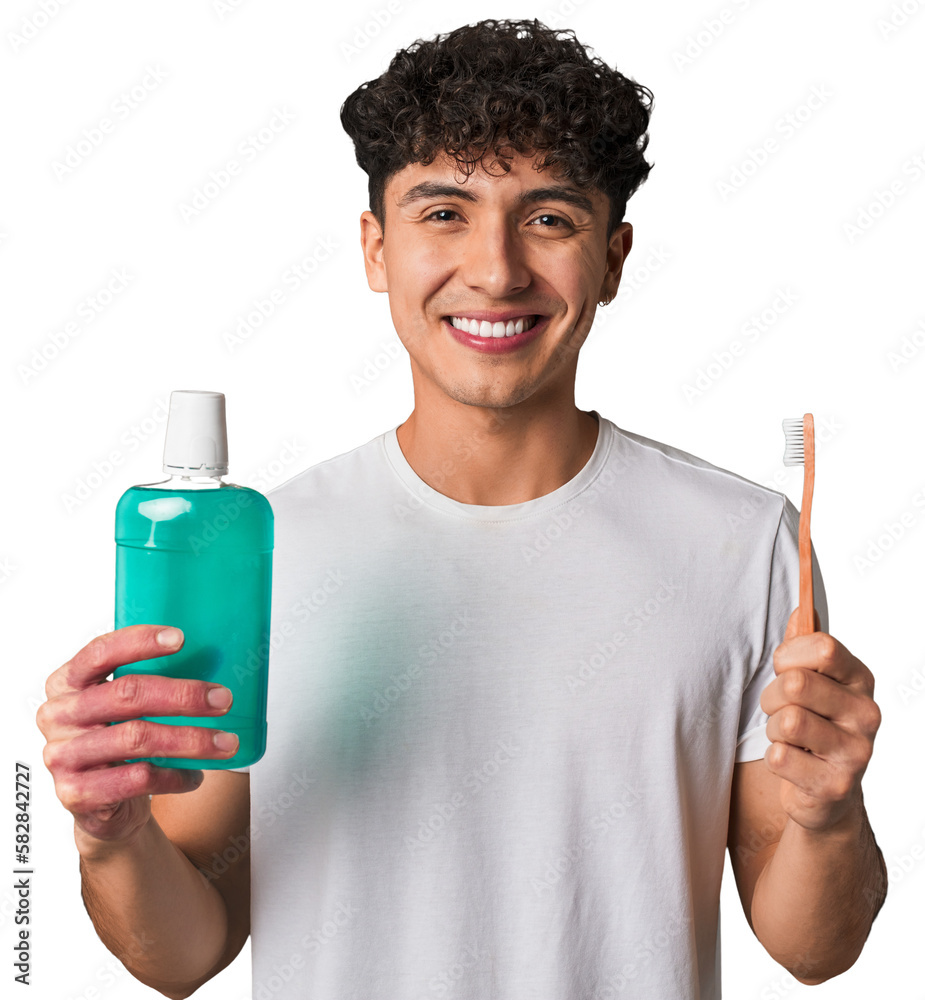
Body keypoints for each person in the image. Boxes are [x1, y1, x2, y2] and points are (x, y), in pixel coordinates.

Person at [36, 18, 886, 999]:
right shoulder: (258, 547)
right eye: (443, 212)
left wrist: (828, 817)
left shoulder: (743, 542)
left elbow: (810, 947)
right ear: (375, 247)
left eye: (548, 218)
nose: (494, 270)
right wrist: (112, 836)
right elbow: (185, 951)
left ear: (612, 259)